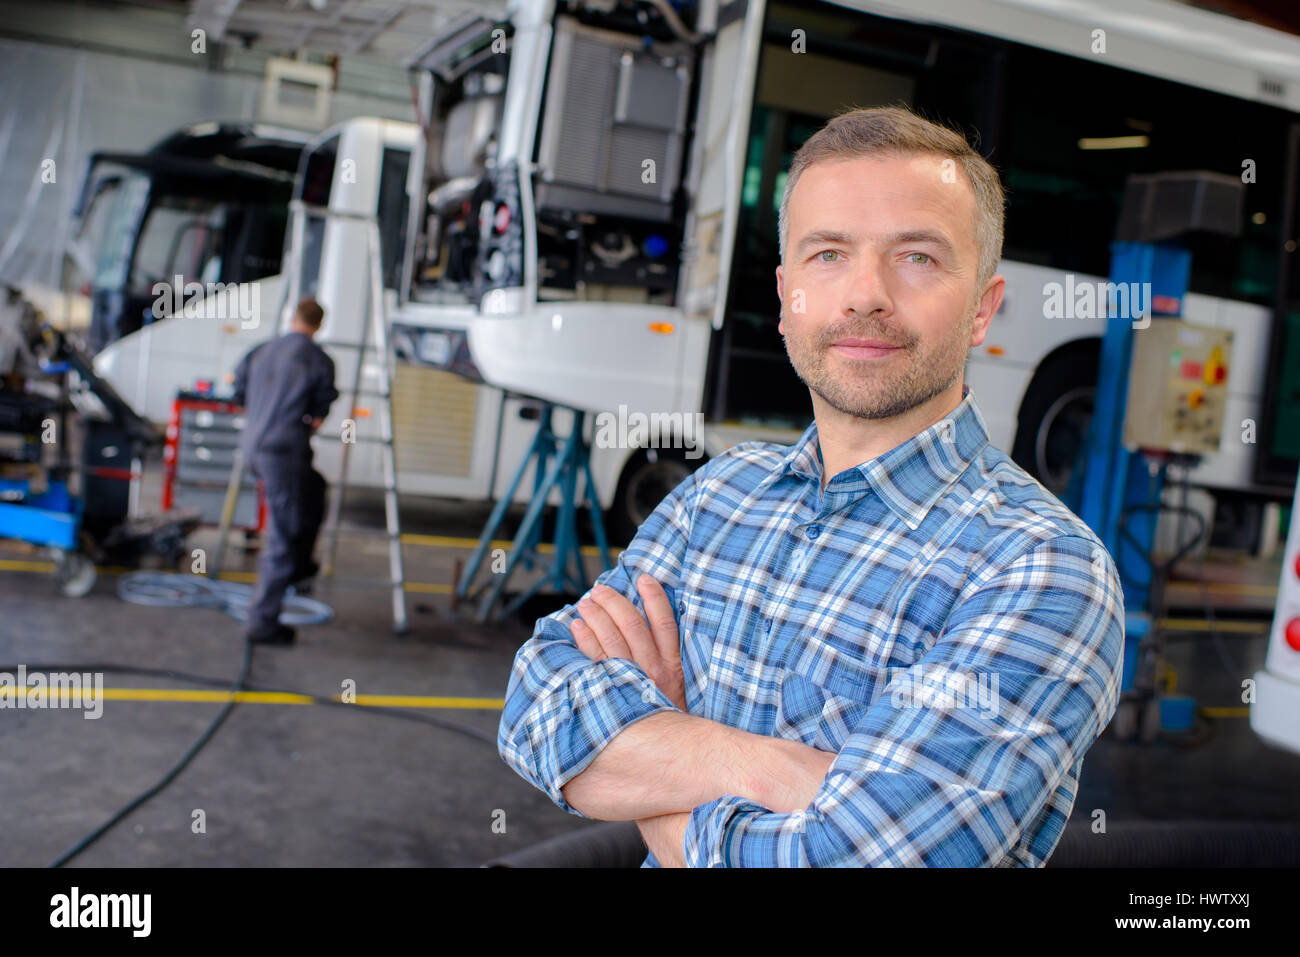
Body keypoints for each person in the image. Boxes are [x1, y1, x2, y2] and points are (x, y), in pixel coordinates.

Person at [497, 106, 1125, 867]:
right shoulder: (716, 497)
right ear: (786, 295)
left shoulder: (1042, 569)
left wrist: (651, 759)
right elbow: (535, 702)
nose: (865, 294)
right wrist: (775, 770)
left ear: (983, 310)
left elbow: (854, 861)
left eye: (918, 257)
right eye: (828, 254)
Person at [231, 297, 339, 645]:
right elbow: (319, 417)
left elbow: (239, 391)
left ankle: (300, 567)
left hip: (253, 446)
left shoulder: (261, 349)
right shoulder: (319, 360)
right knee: (282, 533)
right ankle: (262, 622)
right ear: (319, 326)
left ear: (294, 318)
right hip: (283, 453)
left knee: (315, 491)